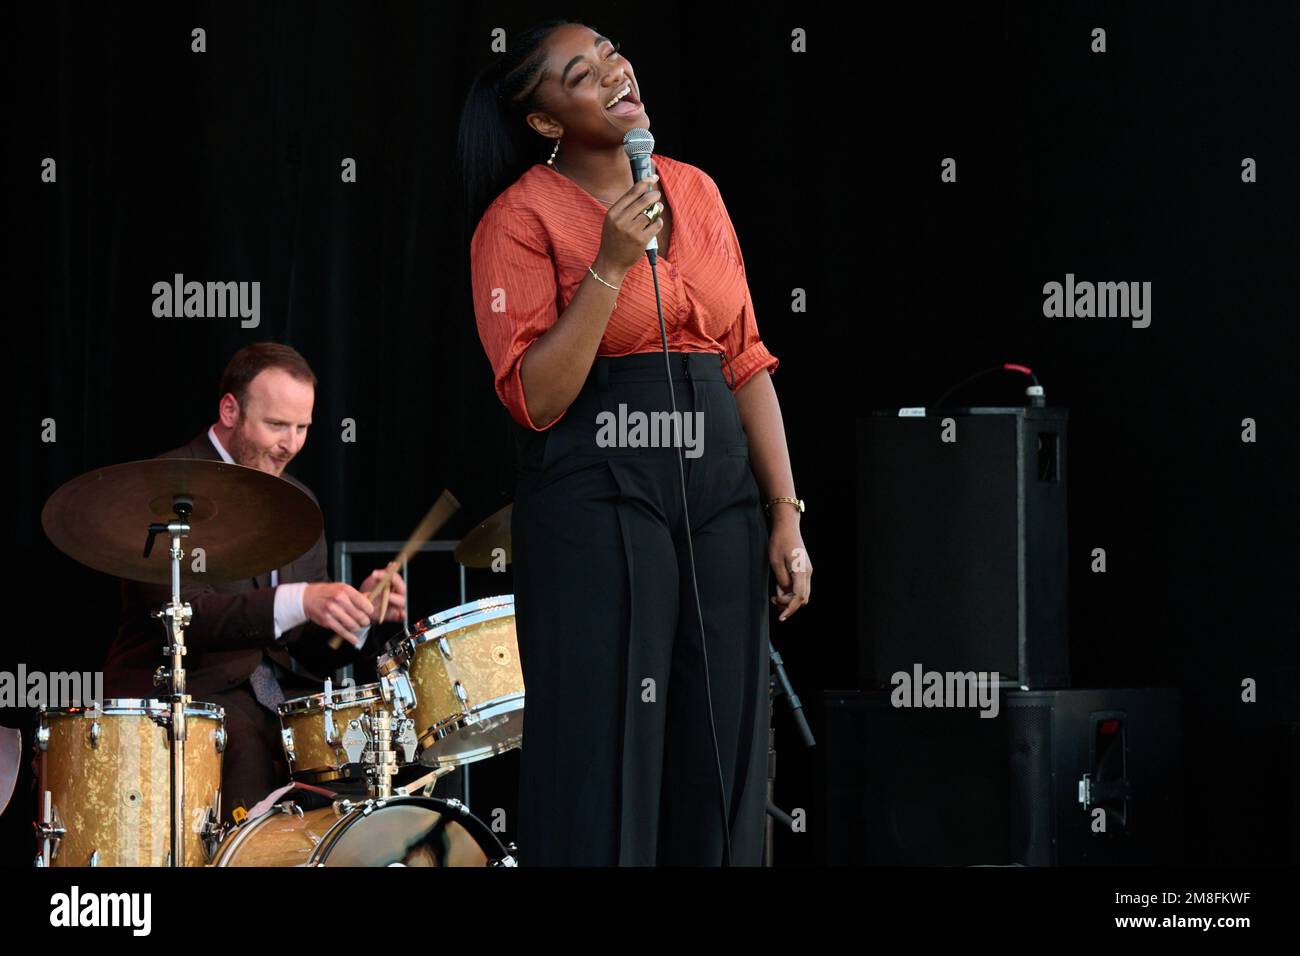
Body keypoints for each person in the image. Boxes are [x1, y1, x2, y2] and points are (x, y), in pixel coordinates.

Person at [458, 20, 812, 865]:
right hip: (598, 485)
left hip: (718, 484)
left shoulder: (695, 189)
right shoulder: (518, 220)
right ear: (546, 122)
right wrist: (611, 263)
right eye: (583, 74)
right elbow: (535, 398)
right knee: (603, 747)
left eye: (613, 51)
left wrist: (785, 514)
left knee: (723, 745)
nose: (616, 72)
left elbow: (747, 360)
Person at [104, 342, 409, 823]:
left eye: (303, 427)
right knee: (245, 753)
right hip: (187, 702)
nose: (291, 444)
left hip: (286, 707)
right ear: (230, 410)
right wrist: (301, 599)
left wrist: (357, 617)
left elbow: (309, 651)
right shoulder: (163, 490)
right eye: (276, 425)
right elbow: (189, 618)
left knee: (392, 757)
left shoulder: (299, 500)